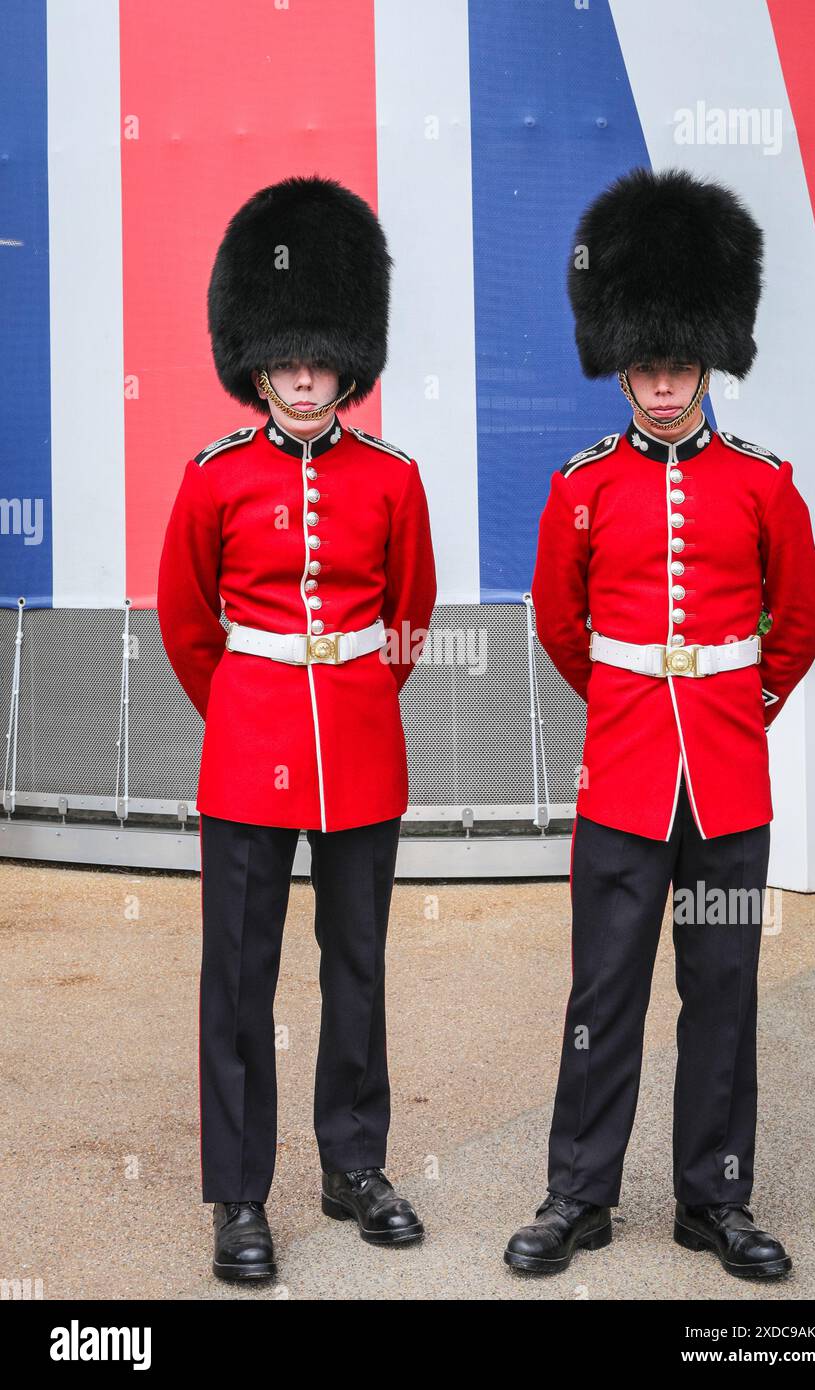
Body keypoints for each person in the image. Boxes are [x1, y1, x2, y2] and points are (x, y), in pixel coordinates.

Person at [504, 167, 815, 1278]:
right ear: (619, 360)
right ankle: (578, 1193)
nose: (658, 383)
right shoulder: (579, 489)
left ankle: (714, 1199)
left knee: (723, 986)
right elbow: (561, 626)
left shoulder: (763, 486)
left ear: (706, 358)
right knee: (602, 993)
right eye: (643, 363)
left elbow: (792, 624)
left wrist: (735, 710)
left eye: (677, 362)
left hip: (726, 786)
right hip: (625, 783)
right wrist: (638, 707)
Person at [156, 175, 437, 1280]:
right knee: (238, 976)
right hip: (246, 749)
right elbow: (188, 626)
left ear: (346, 360)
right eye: (285, 360)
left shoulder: (393, 481)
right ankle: (238, 1195)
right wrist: (243, 712)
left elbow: (406, 618)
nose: (304, 376)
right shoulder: (213, 480)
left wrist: (350, 698)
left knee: (356, 965)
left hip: (359, 748)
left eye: (319, 359)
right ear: (257, 361)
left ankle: (353, 1166)